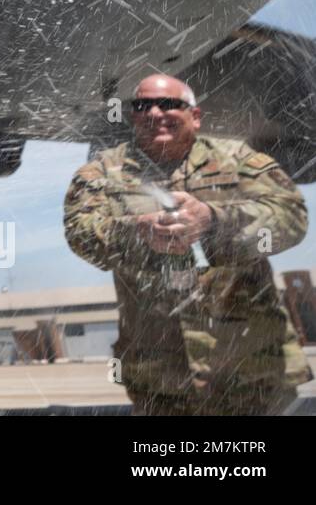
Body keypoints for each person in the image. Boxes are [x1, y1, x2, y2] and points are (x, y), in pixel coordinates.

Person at [64, 73, 310, 415]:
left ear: (195, 116)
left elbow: (291, 217)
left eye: (168, 104)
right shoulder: (101, 173)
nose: (154, 113)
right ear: (132, 116)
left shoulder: (239, 160)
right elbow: (80, 232)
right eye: (142, 105)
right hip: (160, 374)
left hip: (250, 365)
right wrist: (137, 232)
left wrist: (213, 221)